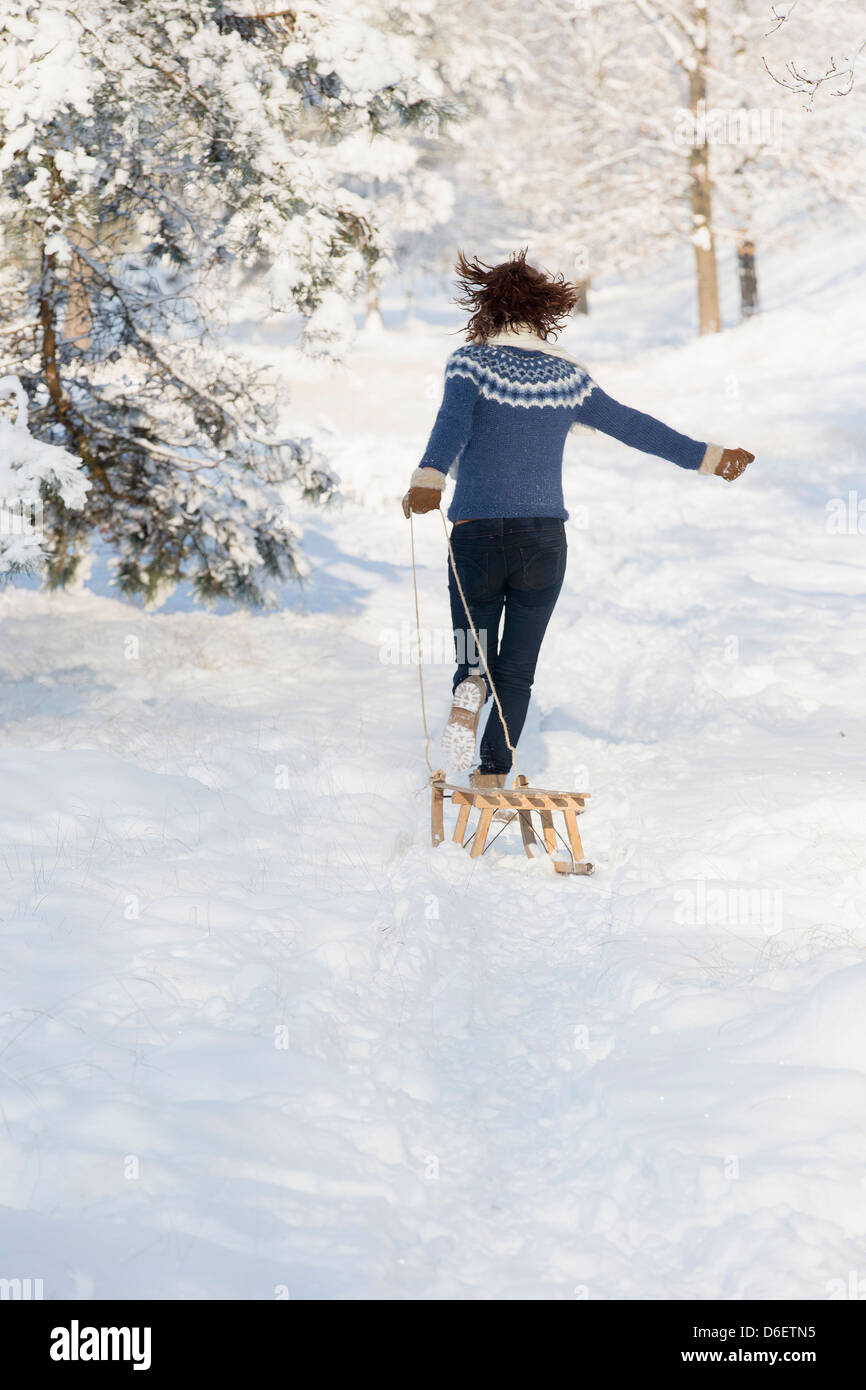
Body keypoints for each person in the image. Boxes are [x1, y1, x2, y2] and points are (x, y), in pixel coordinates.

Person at [402, 250, 754, 787]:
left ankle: (470, 684)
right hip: (543, 541)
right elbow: (634, 426)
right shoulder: (567, 378)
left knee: (475, 649)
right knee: (517, 669)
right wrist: (710, 457)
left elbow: (452, 423)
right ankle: (494, 774)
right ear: (545, 313)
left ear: (487, 310)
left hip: (476, 535)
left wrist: (429, 478)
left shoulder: (469, 364)